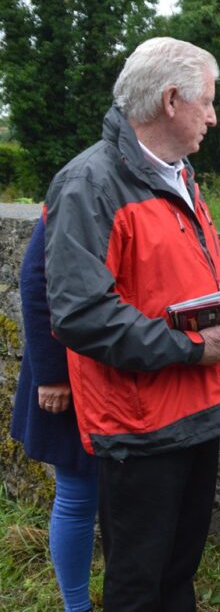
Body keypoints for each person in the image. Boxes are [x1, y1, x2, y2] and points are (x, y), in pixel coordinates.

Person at [44, 37, 220, 612]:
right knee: (138, 583)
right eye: (208, 103)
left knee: (176, 575)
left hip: (195, 410)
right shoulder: (88, 186)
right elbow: (80, 314)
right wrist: (195, 346)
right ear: (171, 100)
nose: (214, 118)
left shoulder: (180, 175)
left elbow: (189, 282)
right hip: (139, 426)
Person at [10, 218, 98, 612]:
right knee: (77, 495)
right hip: (70, 372)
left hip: (125, 366)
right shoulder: (77, 181)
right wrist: (51, 374)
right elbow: (35, 281)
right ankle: (76, 606)